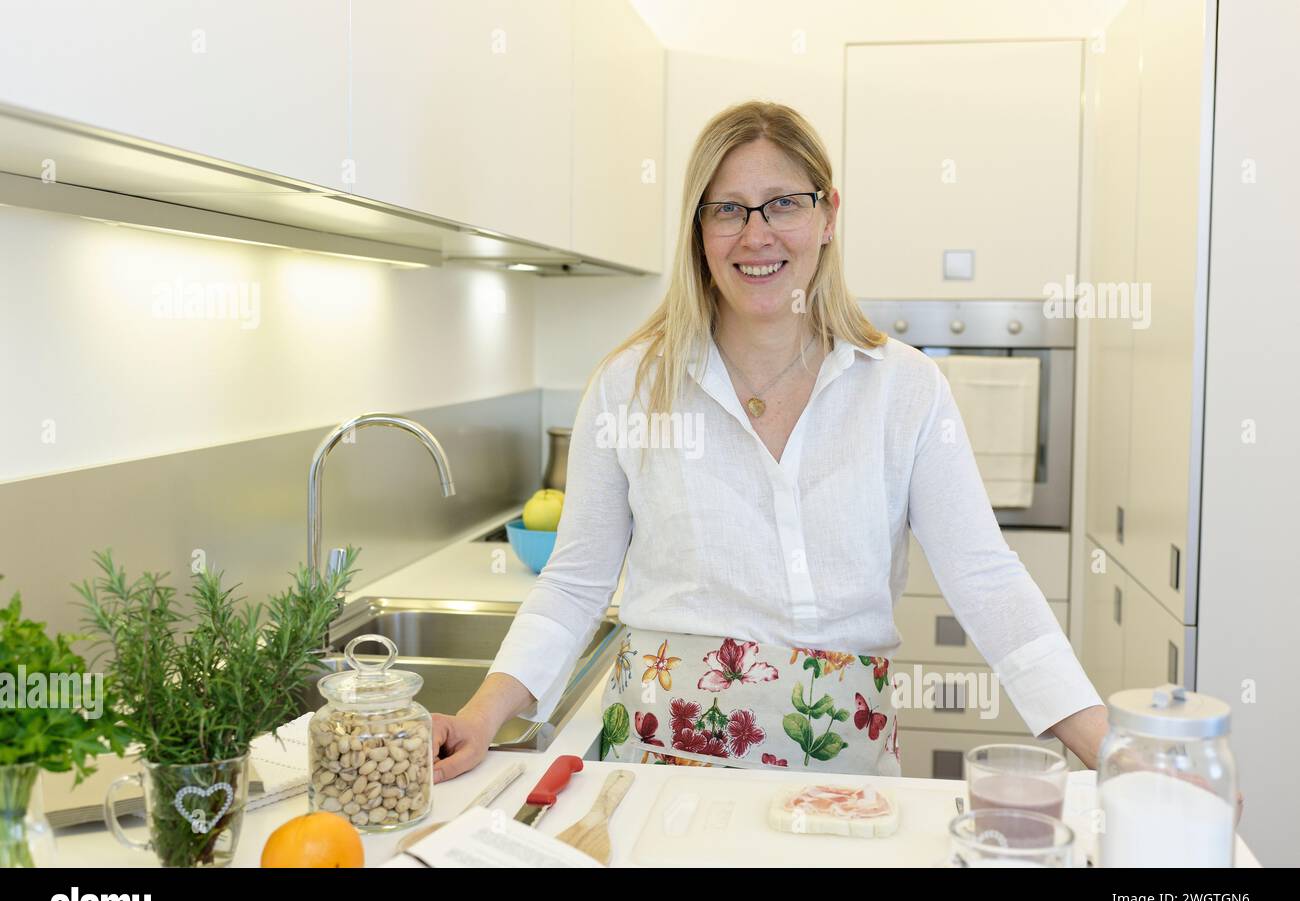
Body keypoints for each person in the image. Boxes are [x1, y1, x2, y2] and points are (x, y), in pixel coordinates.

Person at [428, 99, 1110, 781]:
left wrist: (1109, 745)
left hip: (842, 775)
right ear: (698, 230)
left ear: (827, 216)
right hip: (656, 774)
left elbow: (987, 580)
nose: (756, 235)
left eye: (782, 203)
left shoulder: (905, 389)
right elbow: (576, 583)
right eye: (727, 209)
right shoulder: (628, 387)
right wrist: (483, 716)